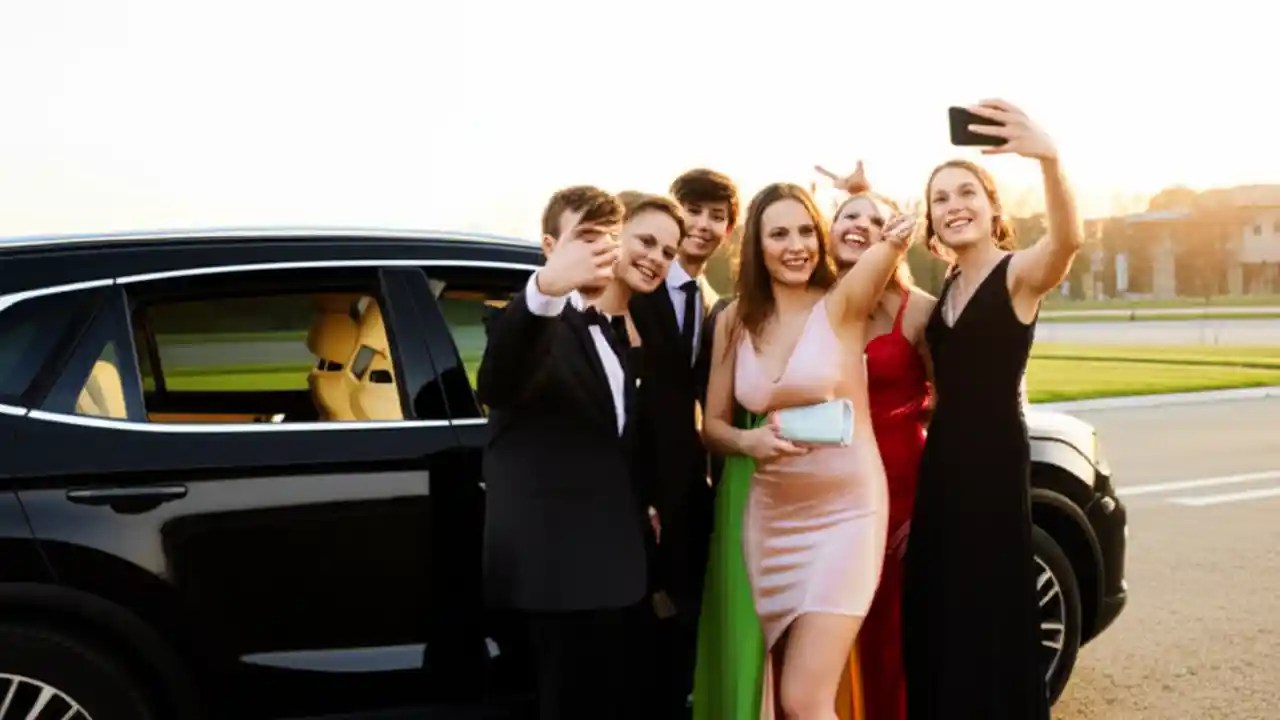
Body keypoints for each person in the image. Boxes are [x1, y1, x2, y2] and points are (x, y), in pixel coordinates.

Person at [702, 182, 917, 720]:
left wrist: (877, 204)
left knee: (804, 695)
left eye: (805, 231)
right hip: (770, 520)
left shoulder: (843, 304)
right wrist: (747, 441)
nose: (795, 245)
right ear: (756, 245)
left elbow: (892, 238)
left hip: (847, 514)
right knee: (776, 683)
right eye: (778, 233)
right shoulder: (733, 320)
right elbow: (714, 425)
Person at [902, 99, 1083, 720]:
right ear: (932, 222)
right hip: (944, 465)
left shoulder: (1017, 276)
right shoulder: (945, 291)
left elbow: (1068, 241)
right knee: (942, 614)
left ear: (991, 207)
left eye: (965, 192)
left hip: (994, 467)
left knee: (988, 614)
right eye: (940, 199)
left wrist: (1050, 161)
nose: (953, 205)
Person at [476, 185, 682, 720]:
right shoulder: (526, 324)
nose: (599, 251)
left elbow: (609, 441)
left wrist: (644, 506)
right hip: (557, 583)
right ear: (550, 246)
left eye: (606, 239)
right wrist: (544, 289)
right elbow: (498, 380)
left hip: (617, 579)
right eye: (584, 238)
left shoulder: (608, 332)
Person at [629, 169, 740, 719]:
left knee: (680, 643)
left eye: (716, 215)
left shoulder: (709, 302)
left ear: (729, 230)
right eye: (691, 210)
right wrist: (642, 496)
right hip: (642, 503)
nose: (702, 224)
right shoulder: (638, 289)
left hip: (689, 497)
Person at [826, 185, 935, 720]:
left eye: (875, 219)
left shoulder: (921, 312)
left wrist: (932, 506)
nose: (860, 224)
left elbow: (954, 414)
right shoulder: (808, 304)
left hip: (902, 489)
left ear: (898, 235)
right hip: (826, 492)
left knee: (891, 632)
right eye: (849, 215)